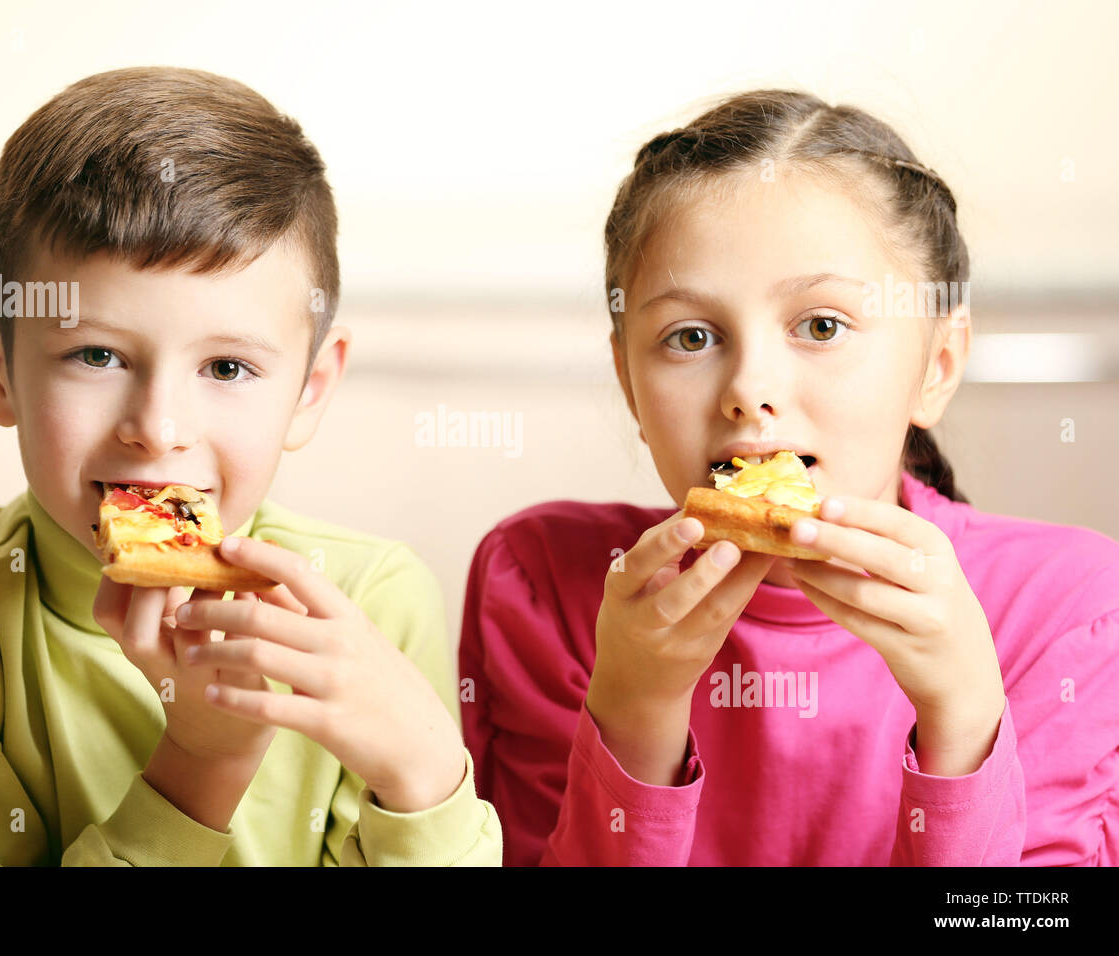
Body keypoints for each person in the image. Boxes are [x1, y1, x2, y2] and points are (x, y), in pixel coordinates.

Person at [0, 66, 501, 866]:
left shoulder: (370, 601)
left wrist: (423, 773)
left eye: (226, 369)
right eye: (96, 355)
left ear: (310, 390)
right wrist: (207, 761)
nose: (156, 430)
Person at [459, 89, 1119, 866]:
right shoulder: (542, 582)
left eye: (821, 325)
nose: (749, 388)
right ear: (628, 381)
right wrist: (634, 711)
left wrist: (964, 720)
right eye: (691, 336)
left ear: (936, 366)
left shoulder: (1070, 606)